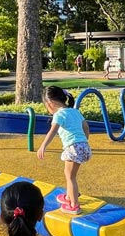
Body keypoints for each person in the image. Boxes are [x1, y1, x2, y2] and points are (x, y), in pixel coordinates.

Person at [36, 85, 91, 214]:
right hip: (84, 146)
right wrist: (83, 141)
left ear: (50, 103)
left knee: (70, 177)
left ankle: (74, 205)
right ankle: (69, 196)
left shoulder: (59, 115)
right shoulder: (75, 112)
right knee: (70, 174)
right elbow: (86, 128)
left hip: (73, 148)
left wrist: (43, 145)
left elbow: (52, 131)